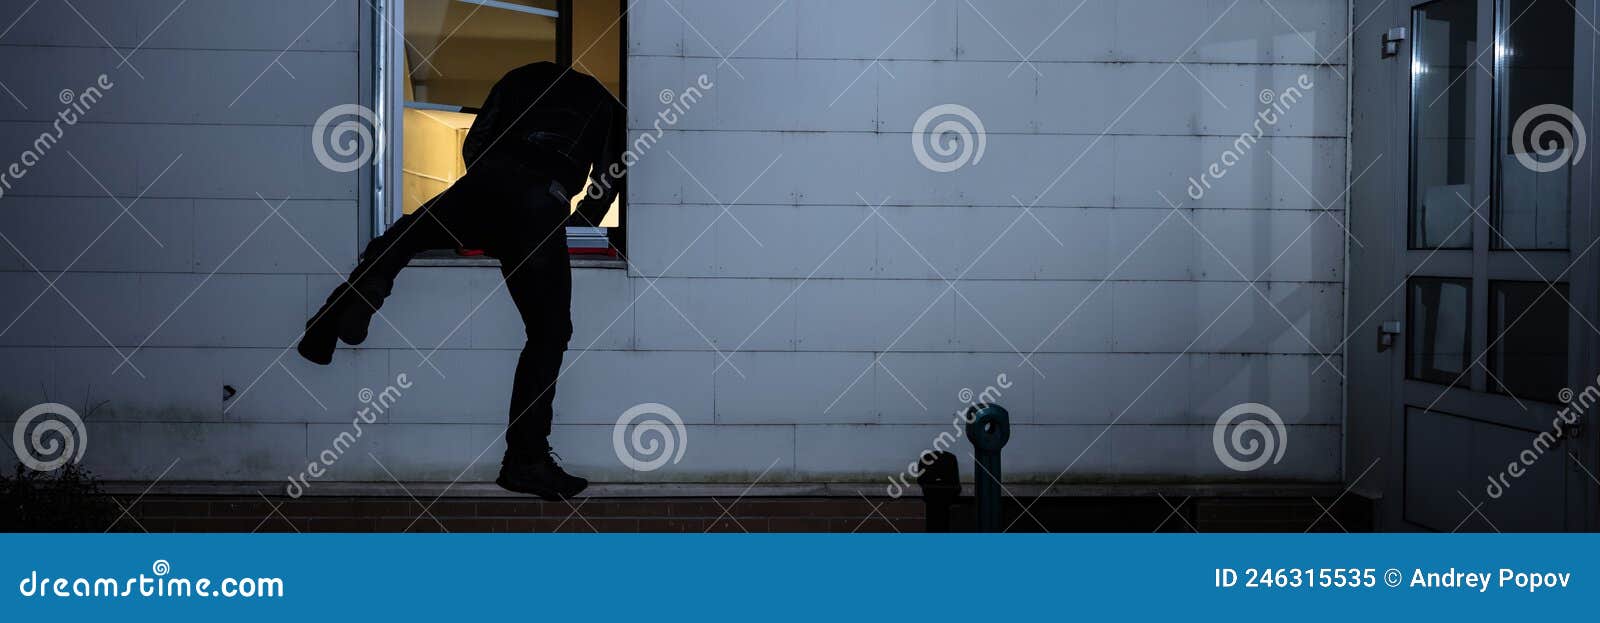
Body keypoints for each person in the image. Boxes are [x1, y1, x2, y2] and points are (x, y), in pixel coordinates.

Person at [297, 62, 624, 501]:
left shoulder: (519, 76)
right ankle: (525, 460)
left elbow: (477, 140)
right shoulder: (603, 101)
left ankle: (340, 313)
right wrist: (576, 227)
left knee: (406, 234)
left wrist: (487, 194)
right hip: (539, 202)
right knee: (549, 333)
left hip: (487, 183)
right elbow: (609, 176)